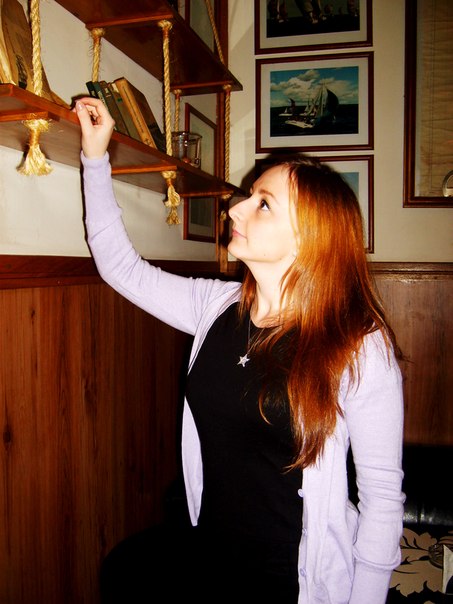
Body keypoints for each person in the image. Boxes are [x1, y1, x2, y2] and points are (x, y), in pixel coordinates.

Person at [74, 97, 405, 604]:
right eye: (248, 197)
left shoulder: (359, 346)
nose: (235, 208)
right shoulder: (214, 307)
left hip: (299, 584)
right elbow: (120, 267)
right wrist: (96, 158)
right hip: (210, 563)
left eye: (263, 204)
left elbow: (382, 499)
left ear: (310, 238)